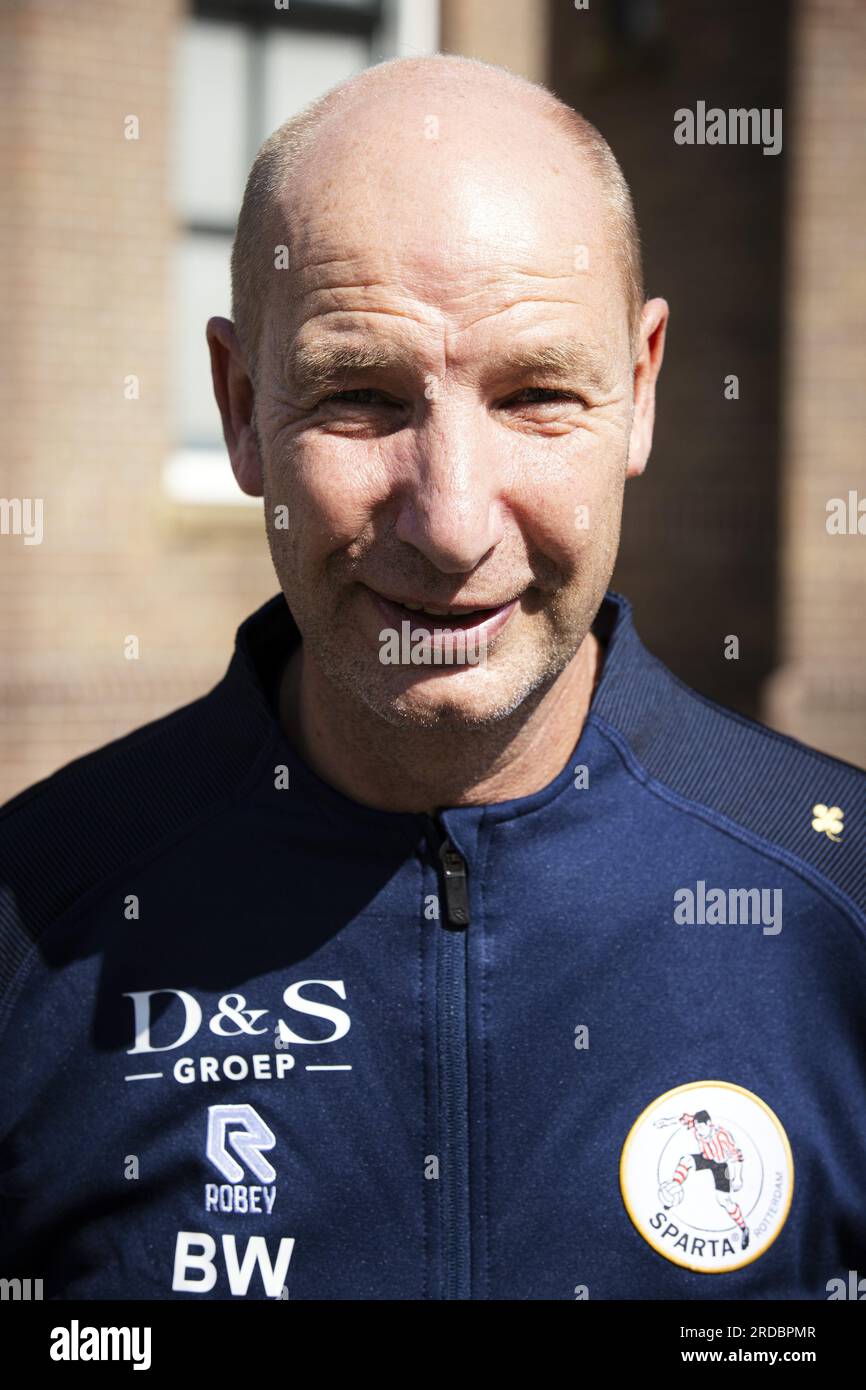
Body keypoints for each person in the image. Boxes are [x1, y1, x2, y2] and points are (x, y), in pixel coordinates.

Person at [0, 53, 863, 1301]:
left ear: (639, 391)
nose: (451, 522)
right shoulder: (34, 922)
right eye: (359, 397)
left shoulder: (835, 903)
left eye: (535, 395)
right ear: (241, 408)